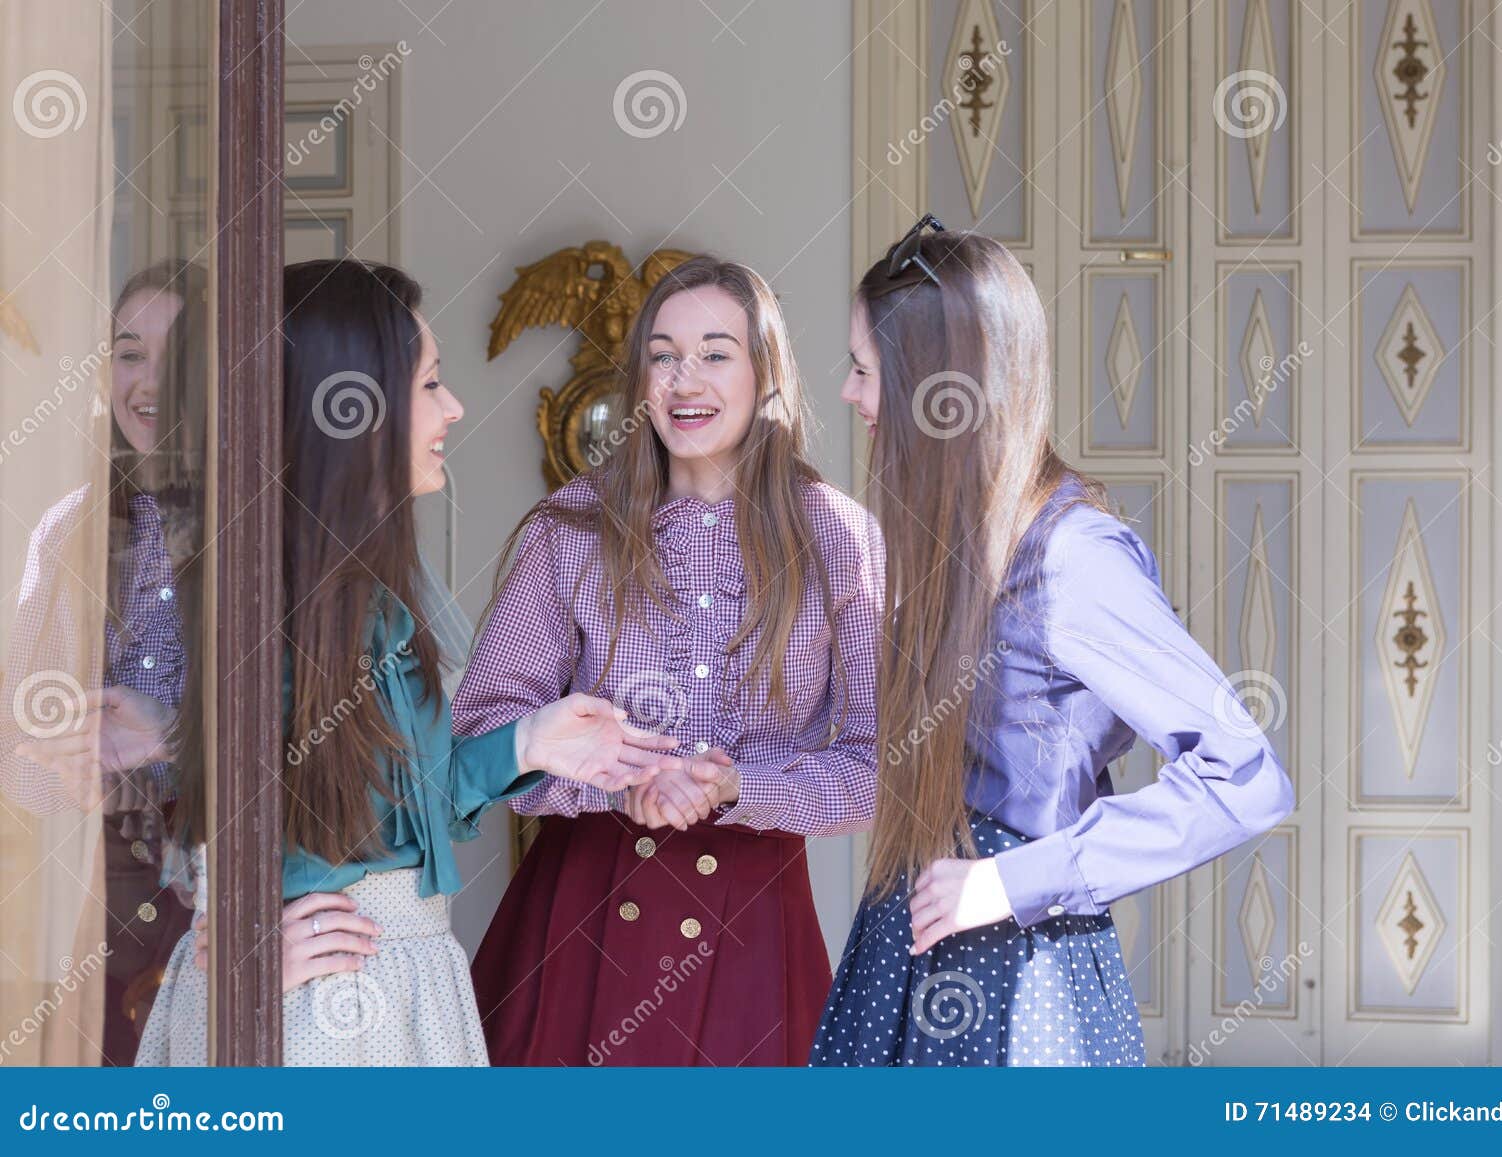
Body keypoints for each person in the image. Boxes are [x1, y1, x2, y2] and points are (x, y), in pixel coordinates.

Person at [129, 259, 674, 1066]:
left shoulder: (358, 600)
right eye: (430, 384)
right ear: (351, 413)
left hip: (378, 995)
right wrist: (242, 952)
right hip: (327, 1019)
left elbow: (385, 820)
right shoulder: (272, 609)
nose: (453, 407)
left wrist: (528, 744)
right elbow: (226, 832)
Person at [811, 219, 1295, 1066]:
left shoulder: (1073, 558)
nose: (850, 395)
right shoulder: (943, 544)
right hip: (910, 942)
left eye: (862, 369)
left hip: (1023, 979)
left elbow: (1246, 778)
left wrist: (1008, 882)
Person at [457, 256, 883, 1066]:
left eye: (717, 353)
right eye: (663, 354)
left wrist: (739, 787)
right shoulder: (569, 529)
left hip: (755, 926)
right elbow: (482, 730)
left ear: (766, 372)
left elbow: (878, 765)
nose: (686, 380)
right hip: (581, 915)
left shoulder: (840, 539)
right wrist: (612, 775)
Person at [2, 259, 207, 1064]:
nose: (148, 380)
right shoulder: (67, 530)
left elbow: (328, 734)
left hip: (242, 891)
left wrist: (180, 736)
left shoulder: (273, 521)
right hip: (102, 900)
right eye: (128, 352)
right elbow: (19, 749)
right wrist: (56, 752)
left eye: (177, 351)